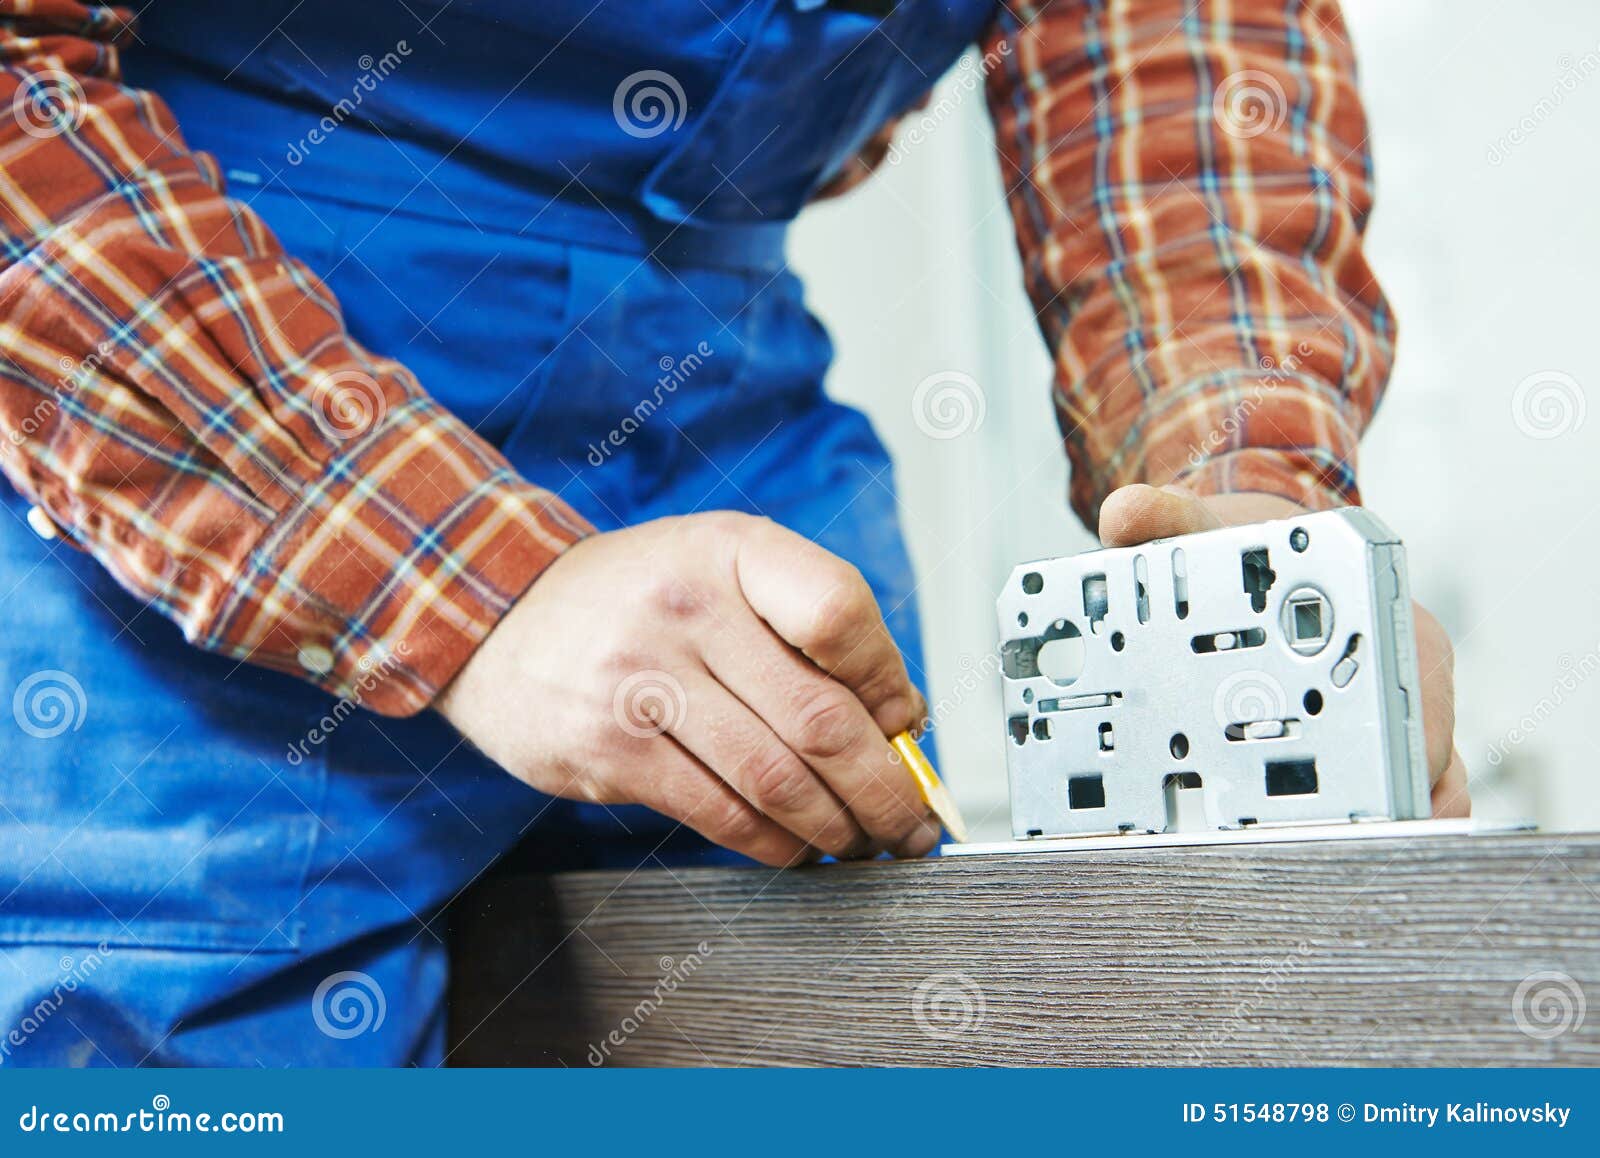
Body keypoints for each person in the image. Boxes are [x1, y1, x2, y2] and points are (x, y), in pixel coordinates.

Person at [0, 0, 1466, 1066]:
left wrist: (1255, 507)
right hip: (179, 415)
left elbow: (1173, 39)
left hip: (730, 435)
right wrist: (459, 581)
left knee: (808, 1044)